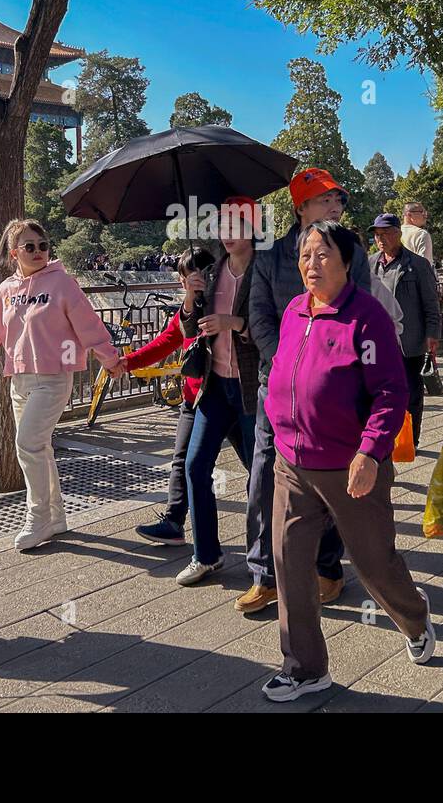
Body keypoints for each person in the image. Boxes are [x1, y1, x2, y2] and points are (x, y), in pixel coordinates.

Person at [261, 220, 435, 701]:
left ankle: (414, 617)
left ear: (346, 262)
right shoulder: (296, 309)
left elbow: (390, 392)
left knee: (373, 563)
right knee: (289, 562)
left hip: (350, 466)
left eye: (321, 255)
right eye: (304, 255)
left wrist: (369, 452)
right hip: (292, 463)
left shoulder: (367, 316)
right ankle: (305, 668)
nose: (310, 265)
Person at [242, 168, 371, 615]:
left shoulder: (352, 253)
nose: (334, 207)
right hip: (274, 384)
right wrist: (285, 361)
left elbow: (361, 314)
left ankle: (327, 567)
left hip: (332, 388)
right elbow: (259, 315)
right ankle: (263, 572)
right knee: (263, 476)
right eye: (323, 201)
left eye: (338, 200)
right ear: (300, 208)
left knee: (330, 479)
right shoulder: (270, 257)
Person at [0, 219, 125, 550]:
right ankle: (56, 517)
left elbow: (89, 325)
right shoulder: (5, 290)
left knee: (28, 445)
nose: (38, 252)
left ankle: (38, 518)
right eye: (29, 247)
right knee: (39, 448)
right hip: (19, 380)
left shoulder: (63, 283)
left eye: (43, 245)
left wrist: (110, 358)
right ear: (14, 252)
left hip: (54, 378)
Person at [174, 198, 262, 585]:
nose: (227, 235)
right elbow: (191, 331)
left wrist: (234, 322)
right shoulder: (211, 271)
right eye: (222, 227)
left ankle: (276, 554)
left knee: (262, 475)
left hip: (251, 387)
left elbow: (274, 327)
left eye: (236, 226)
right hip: (213, 386)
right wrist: (191, 298)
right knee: (195, 467)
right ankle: (206, 554)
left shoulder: (267, 270)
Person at [128, 248, 240, 547]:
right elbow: (167, 341)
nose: (190, 282)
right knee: (185, 462)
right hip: (194, 399)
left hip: (227, 396)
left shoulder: (221, 303)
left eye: (199, 275)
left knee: (259, 464)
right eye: (186, 277)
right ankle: (174, 523)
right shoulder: (188, 310)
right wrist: (127, 363)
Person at [369, 212, 442, 443]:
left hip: (411, 341)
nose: (381, 239)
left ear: (398, 234)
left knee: (411, 393)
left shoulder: (417, 265)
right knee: (379, 393)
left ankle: (411, 441)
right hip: (378, 342)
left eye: (386, 233)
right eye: (377, 235)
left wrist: (432, 334)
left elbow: (431, 303)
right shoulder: (370, 263)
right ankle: (385, 439)